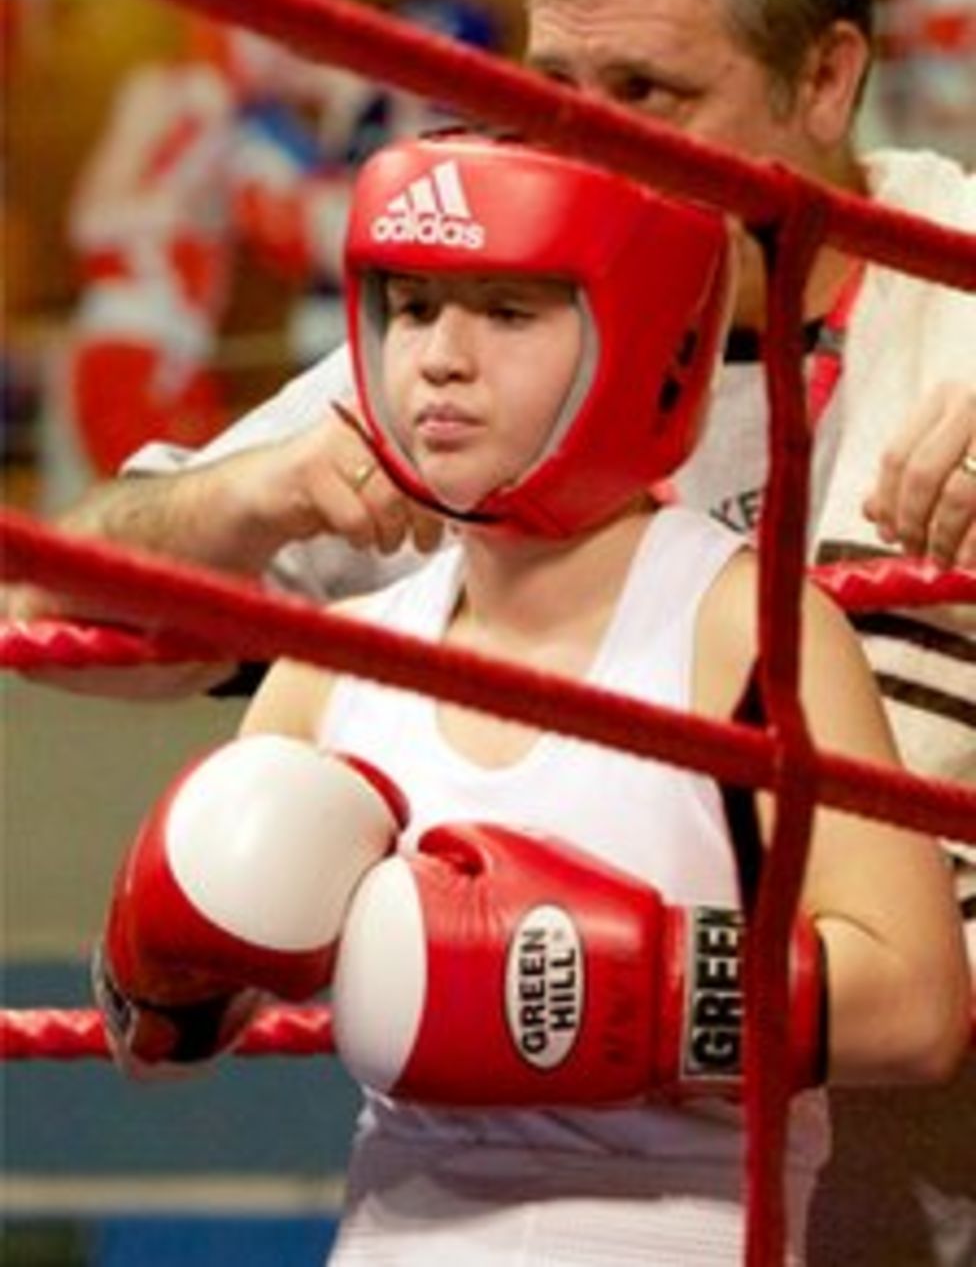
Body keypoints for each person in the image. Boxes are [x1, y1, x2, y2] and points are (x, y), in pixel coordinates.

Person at [94, 133, 969, 1267]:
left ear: (641, 332)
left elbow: (916, 1007)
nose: (442, 361)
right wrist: (164, 966)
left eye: (508, 313)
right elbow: (158, 1039)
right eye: (412, 310)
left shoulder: (741, 631)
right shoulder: (337, 662)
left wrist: (635, 994)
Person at [5, 0, 973, 783]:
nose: (590, 154)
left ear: (824, 79)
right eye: (552, 91)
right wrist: (259, 494)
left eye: (644, 93)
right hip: (569, 973)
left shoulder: (955, 283)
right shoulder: (465, 337)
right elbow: (51, 608)